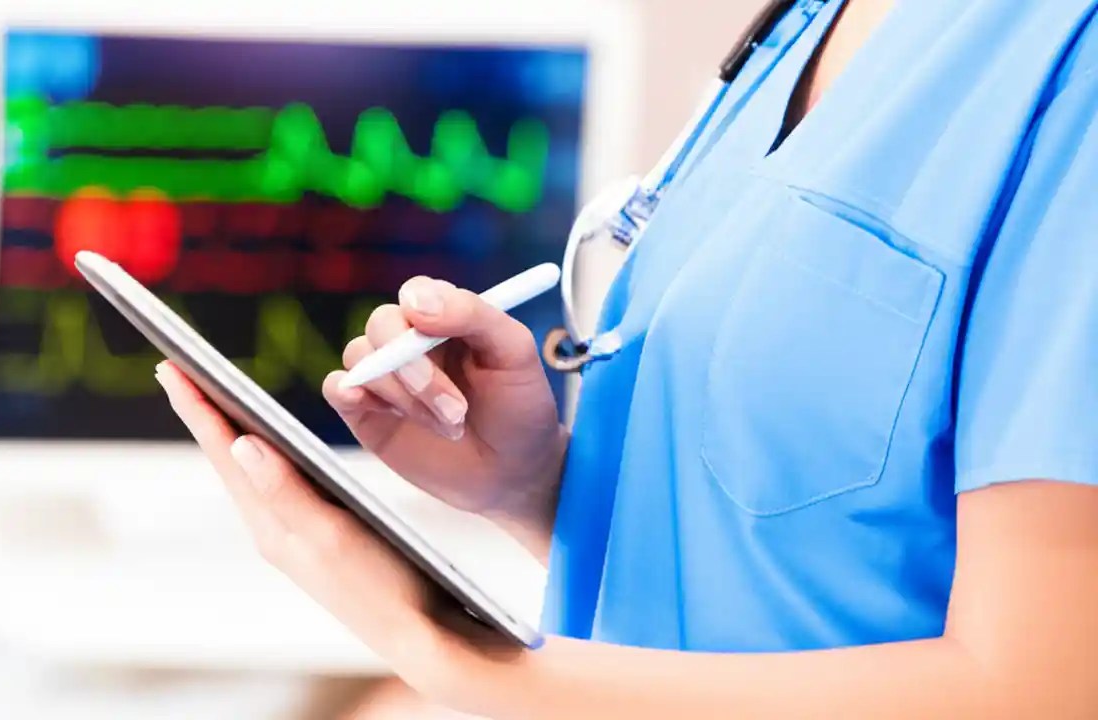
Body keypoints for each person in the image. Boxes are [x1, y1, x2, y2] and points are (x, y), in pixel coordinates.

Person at [154, 0, 1098, 716]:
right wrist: (536, 489)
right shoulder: (808, 22)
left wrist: (447, 649)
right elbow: (797, 554)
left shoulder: (1068, 66)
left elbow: (1038, 687)